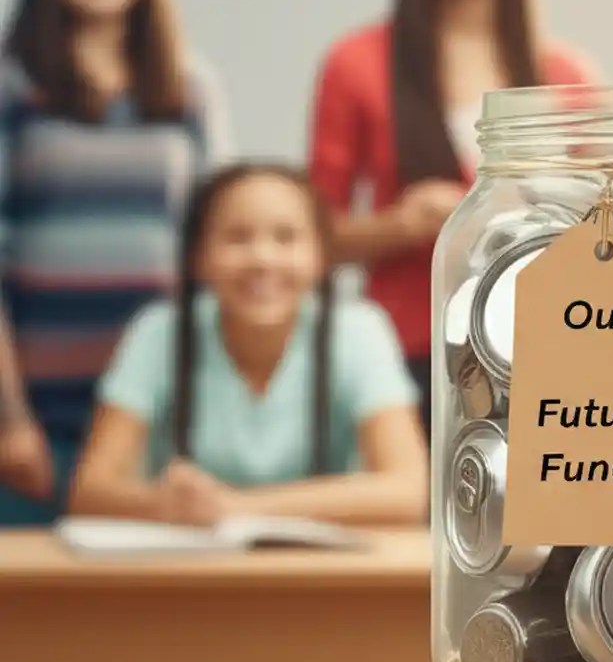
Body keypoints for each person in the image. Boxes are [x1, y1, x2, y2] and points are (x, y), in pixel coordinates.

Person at [308, 0, 596, 437]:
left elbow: (601, 227)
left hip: (542, 347)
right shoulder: (355, 63)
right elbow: (313, 234)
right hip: (411, 351)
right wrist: (399, 226)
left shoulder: (566, 74)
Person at [0, 0, 231, 525]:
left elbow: (216, 251)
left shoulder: (190, 86)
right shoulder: (11, 86)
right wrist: (9, 422)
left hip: (154, 429)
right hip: (34, 431)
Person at [69, 164, 426, 526]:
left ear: (321, 255)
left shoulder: (359, 331)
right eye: (237, 238)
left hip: (319, 574)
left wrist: (232, 507)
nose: (262, 259)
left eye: (286, 238)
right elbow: (90, 490)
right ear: (198, 257)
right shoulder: (159, 331)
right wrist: (161, 502)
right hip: (186, 571)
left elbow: (407, 492)